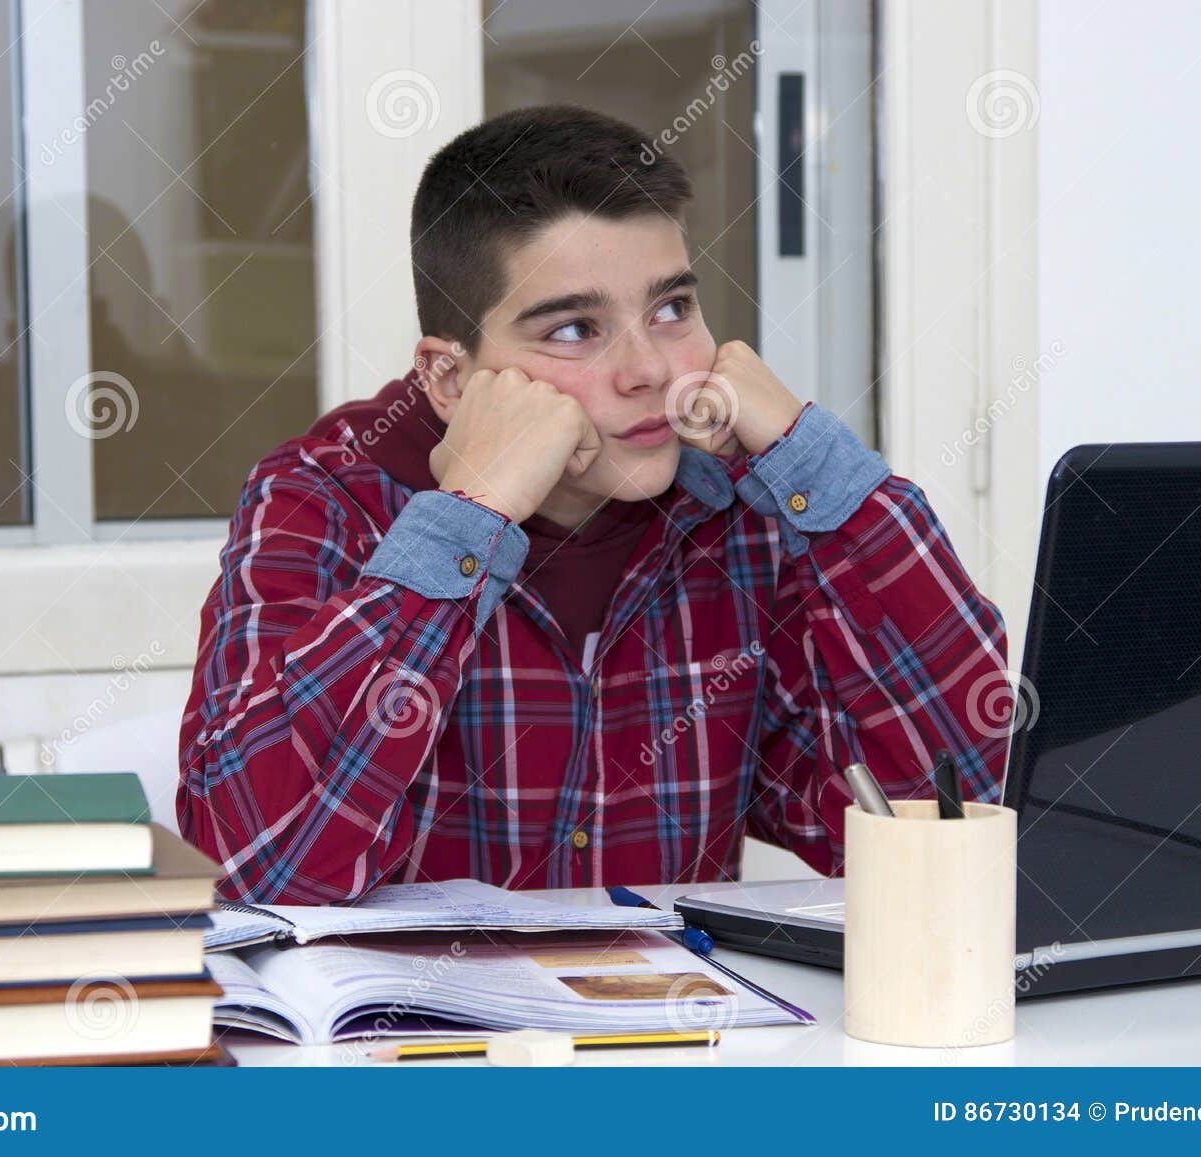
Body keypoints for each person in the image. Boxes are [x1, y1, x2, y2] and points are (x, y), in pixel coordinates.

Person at [177, 104, 1011, 904]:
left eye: (672, 309)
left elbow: (944, 821)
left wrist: (816, 464)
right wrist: (472, 513)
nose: (648, 369)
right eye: (575, 329)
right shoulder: (322, 496)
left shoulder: (739, 513)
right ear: (450, 378)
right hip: (414, 1011)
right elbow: (253, 863)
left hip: (674, 1006)